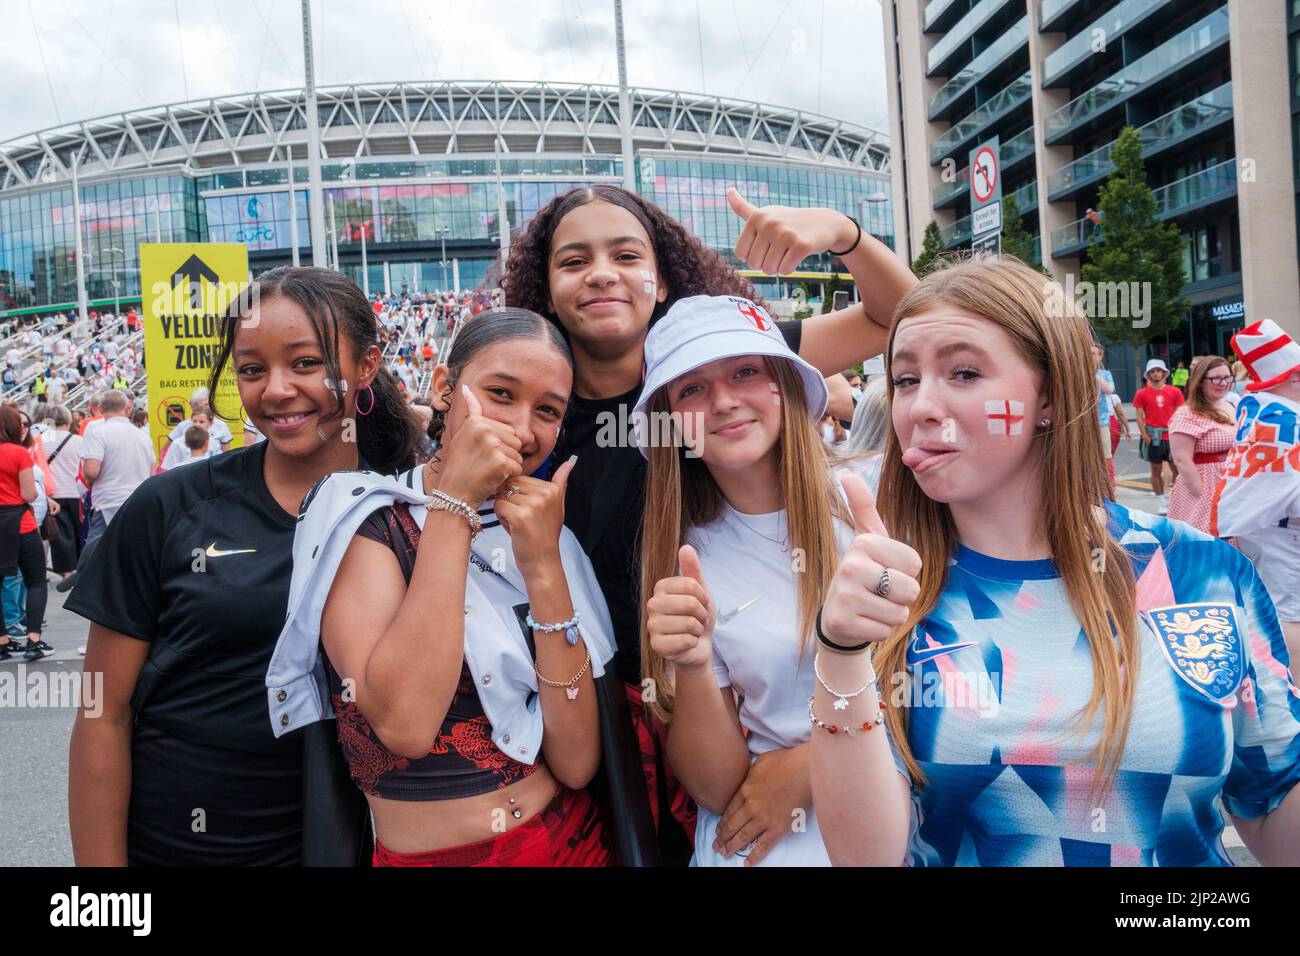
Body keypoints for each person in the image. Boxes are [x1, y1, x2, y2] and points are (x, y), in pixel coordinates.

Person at [809, 257, 1300, 867]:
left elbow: (1272, 796)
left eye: (963, 372)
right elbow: (867, 858)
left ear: (1050, 394)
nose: (921, 407)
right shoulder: (888, 594)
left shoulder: (1201, 570)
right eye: (905, 380)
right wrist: (840, 651)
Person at [500, 182, 917, 862]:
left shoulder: (726, 353)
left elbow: (906, 319)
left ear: (660, 279)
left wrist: (844, 234)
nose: (602, 272)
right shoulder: (534, 412)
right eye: (573, 261)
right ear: (545, 290)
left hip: (750, 720)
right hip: (606, 721)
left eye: (625, 254)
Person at [67, 266, 424, 865]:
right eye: (253, 370)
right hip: (180, 849)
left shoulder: (410, 510)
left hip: (357, 847)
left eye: (305, 363)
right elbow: (103, 713)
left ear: (367, 365)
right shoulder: (169, 506)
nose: (276, 390)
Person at [269, 309, 616, 866]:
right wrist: (455, 499)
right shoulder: (366, 516)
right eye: (501, 393)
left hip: (567, 844)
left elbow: (576, 761)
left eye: (547, 411)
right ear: (444, 388)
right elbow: (404, 724)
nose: (523, 429)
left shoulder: (548, 535)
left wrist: (546, 567)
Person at [639, 295, 876, 866]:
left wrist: (816, 760)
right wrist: (693, 664)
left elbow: (948, 689)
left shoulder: (873, 497)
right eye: (691, 388)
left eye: (745, 371)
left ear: (786, 386)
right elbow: (716, 789)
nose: (723, 401)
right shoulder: (685, 555)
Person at [1211, 319, 1300, 675]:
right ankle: (1293, 691)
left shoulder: (1258, 408)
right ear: (1293, 377)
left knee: (1271, 608)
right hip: (1283, 528)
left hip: (1261, 525)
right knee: (1289, 614)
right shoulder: (1286, 415)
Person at [0, 407, 49, 662]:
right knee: (36, 580)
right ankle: (33, 639)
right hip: (21, 523)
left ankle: (2, 641)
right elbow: (29, 494)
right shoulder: (18, 453)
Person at [77, 390, 155, 551]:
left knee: (94, 555)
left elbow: (91, 471)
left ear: (101, 408)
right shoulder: (142, 436)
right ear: (127, 408)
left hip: (108, 501)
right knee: (132, 551)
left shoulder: (98, 433)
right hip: (137, 501)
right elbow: (152, 471)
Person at [1167, 356, 1236, 534]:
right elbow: (1182, 460)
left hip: (1232, 483)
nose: (1223, 383)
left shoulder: (1231, 406)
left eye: (1227, 377)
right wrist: (1205, 496)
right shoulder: (1186, 414)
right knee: (1205, 541)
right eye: (1216, 378)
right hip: (1204, 485)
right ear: (1199, 381)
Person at [1133, 358, 1183, 514]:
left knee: (1177, 470)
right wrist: (1144, 435)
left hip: (1171, 435)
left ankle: (1176, 499)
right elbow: (1139, 416)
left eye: (1158, 371)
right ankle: (1161, 500)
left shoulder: (1175, 391)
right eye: (1153, 371)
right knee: (1155, 469)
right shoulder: (1142, 393)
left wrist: (1178, 431)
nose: (1156, 374)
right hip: (1153, 436)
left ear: (1164, 373)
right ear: (1148, 374)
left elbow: (1180, 412)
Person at [43, 405, 83, 579]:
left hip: (54, 495)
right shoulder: (79, 440)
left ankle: (67, 573)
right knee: (82, 533)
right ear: (68, 421)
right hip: (76, 493)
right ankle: (83, 570)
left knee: (62, 536)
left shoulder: (41, 441)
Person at [1092, 344, 1116, 489]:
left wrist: (1093, 374)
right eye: (1089, 354)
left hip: (1101, 422)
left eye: (1096, 354)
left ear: (1100, 356)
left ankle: (1109, 488)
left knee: (1106, 456)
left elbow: (1109, 389)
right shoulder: (1076, 372)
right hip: (1081, 423)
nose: (1093, 357)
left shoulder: (1104, 374)